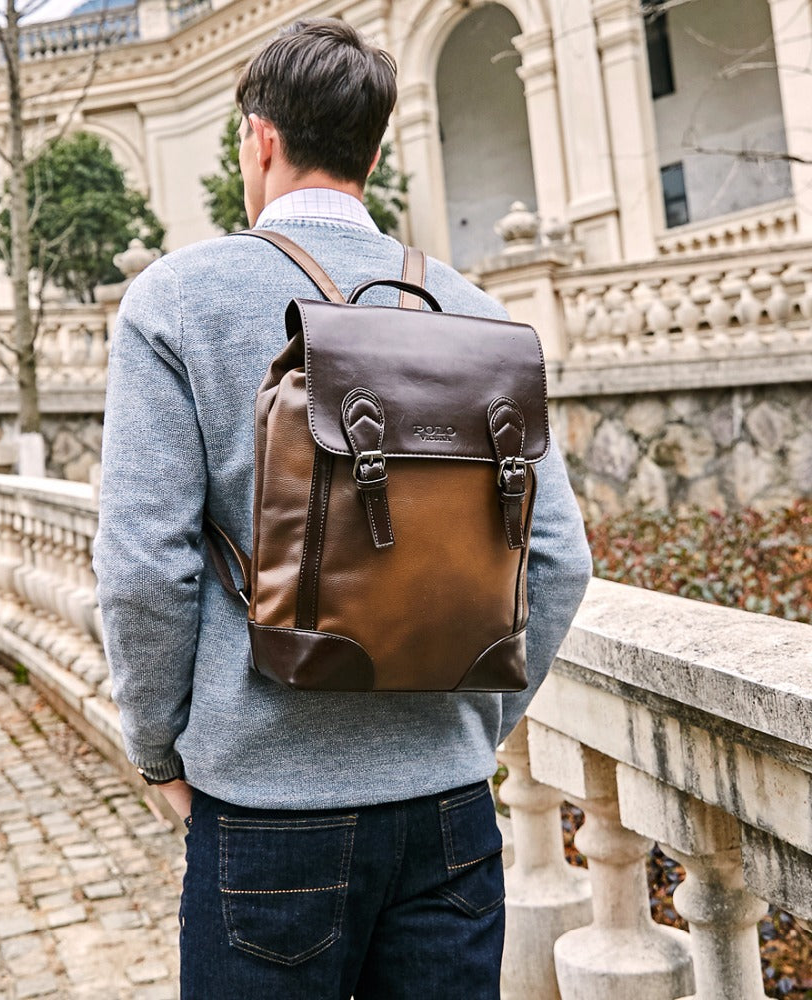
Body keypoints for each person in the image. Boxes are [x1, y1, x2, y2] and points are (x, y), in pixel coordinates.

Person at [94, 17, 591, 1000]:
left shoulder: (178, 300)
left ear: (259, 139)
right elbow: (559, 560)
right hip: (450, 815)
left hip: (267, 811)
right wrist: (471, 725)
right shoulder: (479, 313)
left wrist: (159, 750)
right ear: (372, 149)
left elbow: (146, 569)